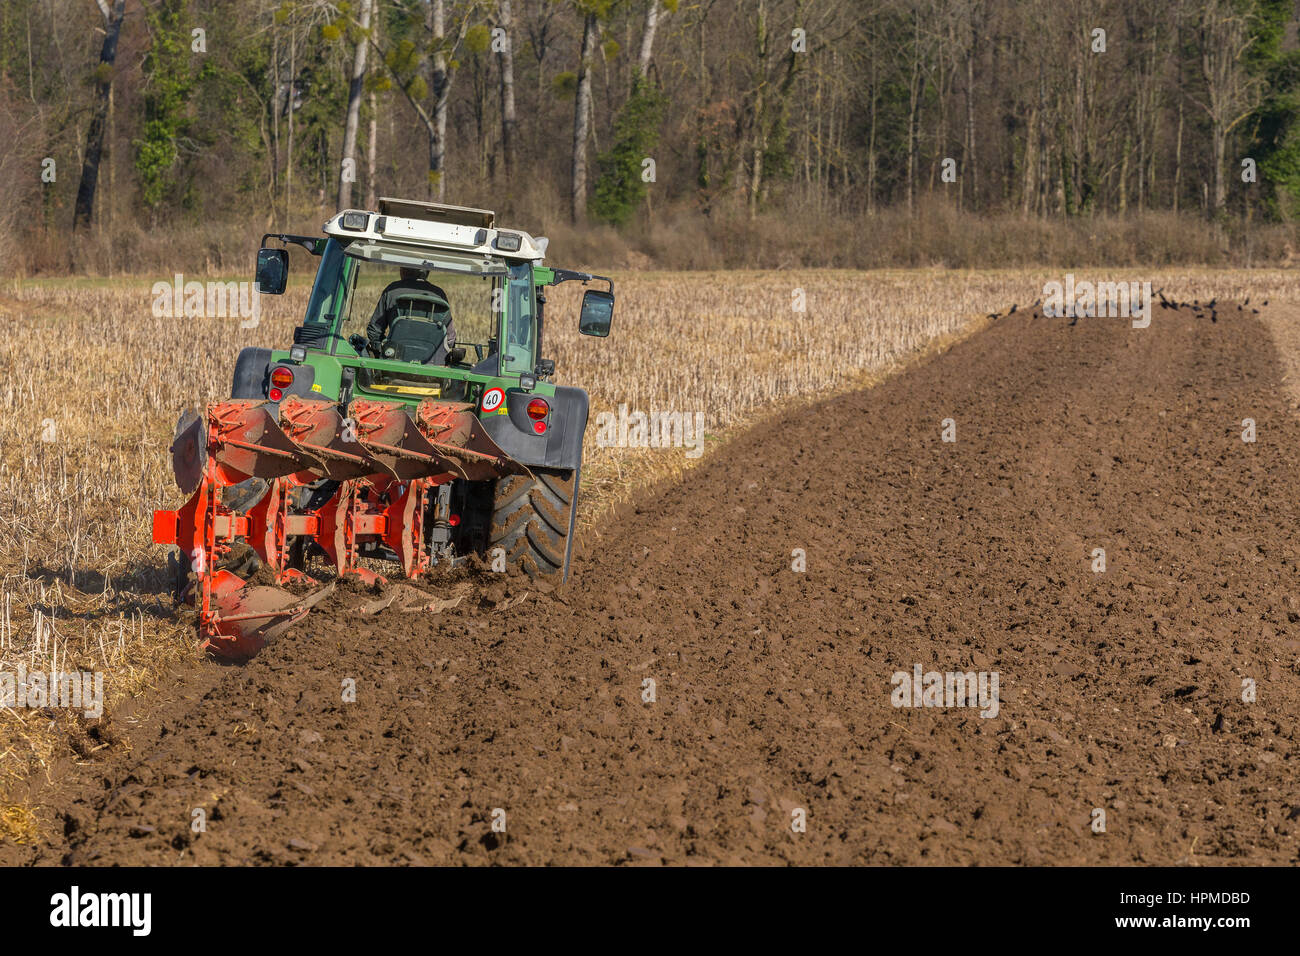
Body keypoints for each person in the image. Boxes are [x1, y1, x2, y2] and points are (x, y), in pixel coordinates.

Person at [366, 266, 456, 361]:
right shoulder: (439, 294)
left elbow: (374, 330)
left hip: (394, 361)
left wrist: (384, 348)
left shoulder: (392, 291)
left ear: (404, 270)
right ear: (427, 272)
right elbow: (450, 339)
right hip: (433, 364)